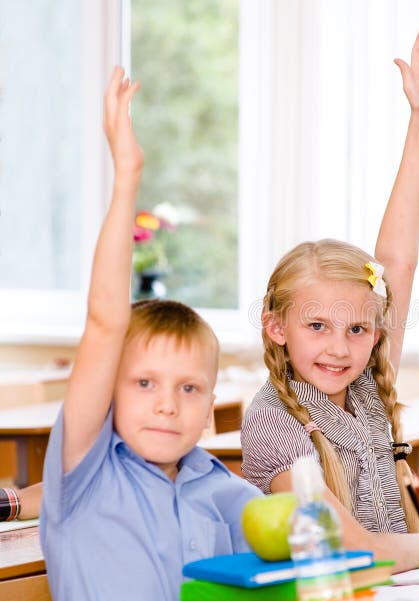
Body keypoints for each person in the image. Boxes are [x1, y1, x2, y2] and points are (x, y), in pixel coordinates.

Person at [241, 23, 419, 572]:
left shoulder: (365, 388)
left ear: (375, 333)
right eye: (317, 327)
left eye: (357, 330)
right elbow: (350, 546)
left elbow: (397, 264)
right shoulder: (272, 422)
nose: (339, 348)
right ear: (276, 328)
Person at [40, 68, 261, 601]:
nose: (167, 406)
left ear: (211, 405)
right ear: (108, 391)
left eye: (188, 389)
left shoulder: (224, 491)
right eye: (144, 383)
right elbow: (105, 323)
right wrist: (127, 178)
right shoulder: (84, 474)